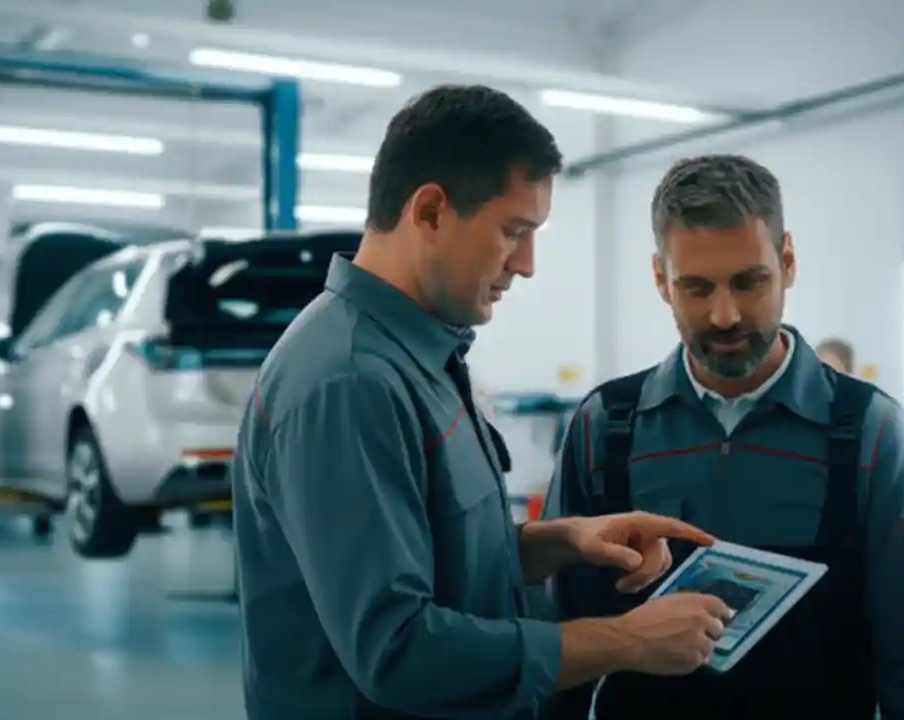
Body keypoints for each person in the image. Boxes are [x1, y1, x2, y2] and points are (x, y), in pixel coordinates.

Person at [230, 85, 736, 720]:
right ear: (432, 211)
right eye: (513, 231)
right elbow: (397, 649)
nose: (525, 264)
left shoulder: (418, 358)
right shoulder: (347, 382)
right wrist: (626, 640)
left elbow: (431, 557)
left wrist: (564, 541)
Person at [540, 154, 904, 719]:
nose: (725, 315)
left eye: (750, 282)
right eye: (696, 288)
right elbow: (555, 637)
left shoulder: (870, 433)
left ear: (788, 261)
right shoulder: (605, 426)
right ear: (659, 279)